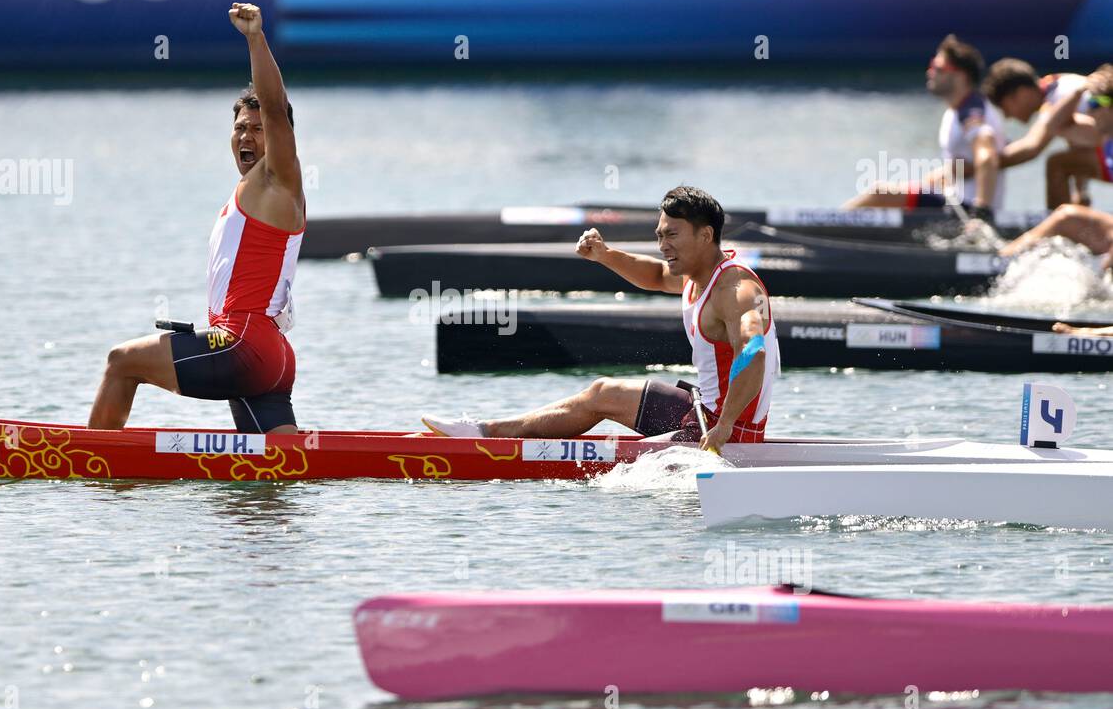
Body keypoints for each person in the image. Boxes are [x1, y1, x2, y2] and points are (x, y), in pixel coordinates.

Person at [422, 186, 779, 453]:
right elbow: (655, 276)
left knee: (631, 471)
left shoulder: (736, 289)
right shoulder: (696, 273)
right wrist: (605, 255)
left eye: (672, 235)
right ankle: (485, 432)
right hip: (702, 412)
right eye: (659, 235)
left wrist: (727, 426)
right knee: (602, 392)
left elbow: (754, 352)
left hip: (727, 432)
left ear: (706, 235)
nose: (662, 244)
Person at [88, 3, 305, 433]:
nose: (246, 136)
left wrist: (254, 39)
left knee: (120, 363)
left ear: (279, 139)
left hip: (242, 344)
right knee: (273, 481)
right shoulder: (251, 194)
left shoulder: (279, 180)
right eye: (240, 127)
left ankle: (84, 467)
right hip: (272, 358)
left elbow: (277, 110)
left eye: (258, 130)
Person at [844, 35, 1005, 212]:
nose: (930, 72)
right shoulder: (957, 111)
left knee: (880, 192)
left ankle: (827, 226)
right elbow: (963, 167)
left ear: (960, 76)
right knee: (897, 191)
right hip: (958, 203)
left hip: (969, 211)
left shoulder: (972, 111)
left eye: (937, 67)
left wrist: (982, 210)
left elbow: (987, 154)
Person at [998, 66, 1113, 260]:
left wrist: (981, 164)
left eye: (1095, 104)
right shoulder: (1101, 133)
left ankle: (996, 263)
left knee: (1065, 217)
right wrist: (1081, 90)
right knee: (1058, 170)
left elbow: (1032, 146)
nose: (1090, 112)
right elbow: (1055, 127)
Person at [981, 58, 1098, 208]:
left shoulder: (1056, 98)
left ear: (1020, 93)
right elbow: (1081, 145)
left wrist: (981, 165)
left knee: (1056, 165)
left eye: (1004, 108)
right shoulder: (1061, 82)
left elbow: (1031, 147)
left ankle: (1060, 228)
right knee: (1062, 162)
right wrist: (1081, 192)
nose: (1006, 116)